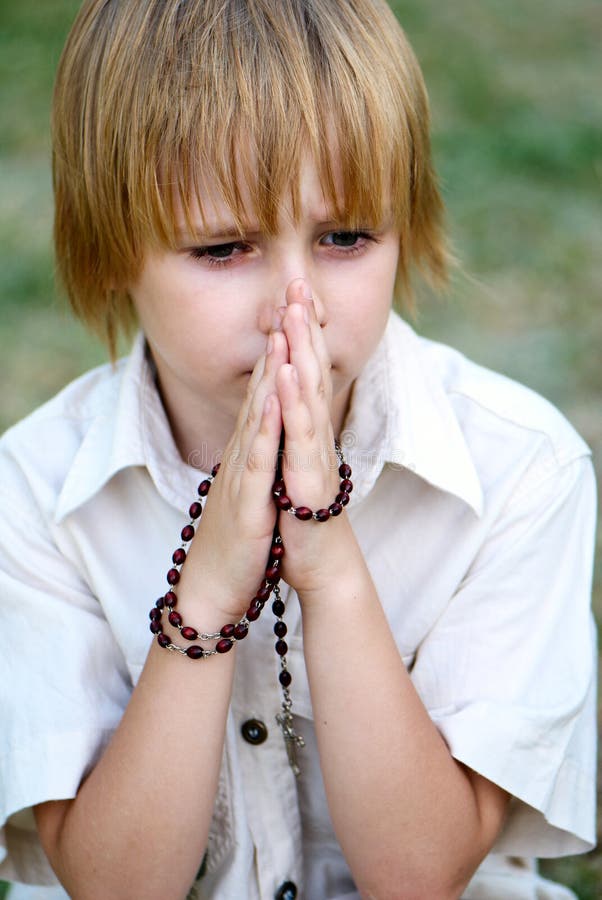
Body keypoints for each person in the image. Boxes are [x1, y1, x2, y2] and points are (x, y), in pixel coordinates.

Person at [0, 0, 596, 897]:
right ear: (113, 247)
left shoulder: (518, 471)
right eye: (225, 247)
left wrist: (329, 564)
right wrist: (202, 596)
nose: (296, 306)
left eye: (345, 237)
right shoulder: (34, 496)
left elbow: (420, 874)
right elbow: (113, 885)